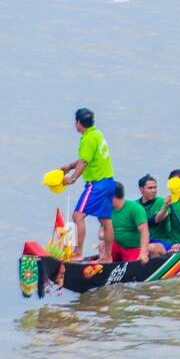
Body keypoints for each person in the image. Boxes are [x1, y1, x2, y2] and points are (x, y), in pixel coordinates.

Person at [58, 107, 115, 260]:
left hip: (97, 184)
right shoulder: (97, 134)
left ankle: (78, 253)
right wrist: (69, 167)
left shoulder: (88, 138)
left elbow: (83, 161)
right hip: (109, 182)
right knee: (105, 220)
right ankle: (108, 258)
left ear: (78, 123)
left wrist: (72, 178)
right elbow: (86, 157)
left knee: (77, 216)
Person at [109, 181, 150, 263]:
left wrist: (143, 253)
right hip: (117, 245)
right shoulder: (107, 209)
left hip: (133, 247)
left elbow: (145, 232)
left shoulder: (135, 208)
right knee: (103, 245)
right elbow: (103, 230)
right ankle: (105, 262)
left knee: (136, 261)